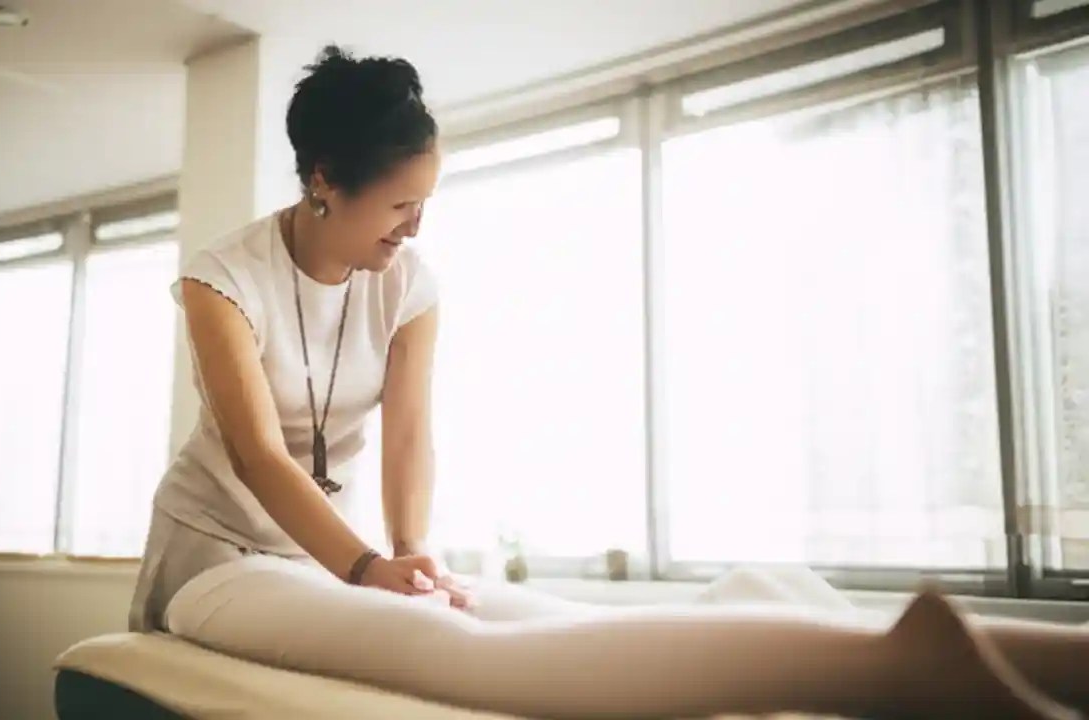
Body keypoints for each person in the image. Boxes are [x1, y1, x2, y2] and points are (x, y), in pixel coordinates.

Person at [131, 45, 1089, 720]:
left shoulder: (410, 284)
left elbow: (412, 435)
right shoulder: (223, 280)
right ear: (323, 182)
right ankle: (892, 668)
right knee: (454, 653)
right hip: (221, 561)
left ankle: (968, 645)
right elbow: (257, 455)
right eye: (398, 207)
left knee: (540, 618)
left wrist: (415, 556)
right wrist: (366, 572)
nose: (413, 230)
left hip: (333, 554)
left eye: (425, 205)